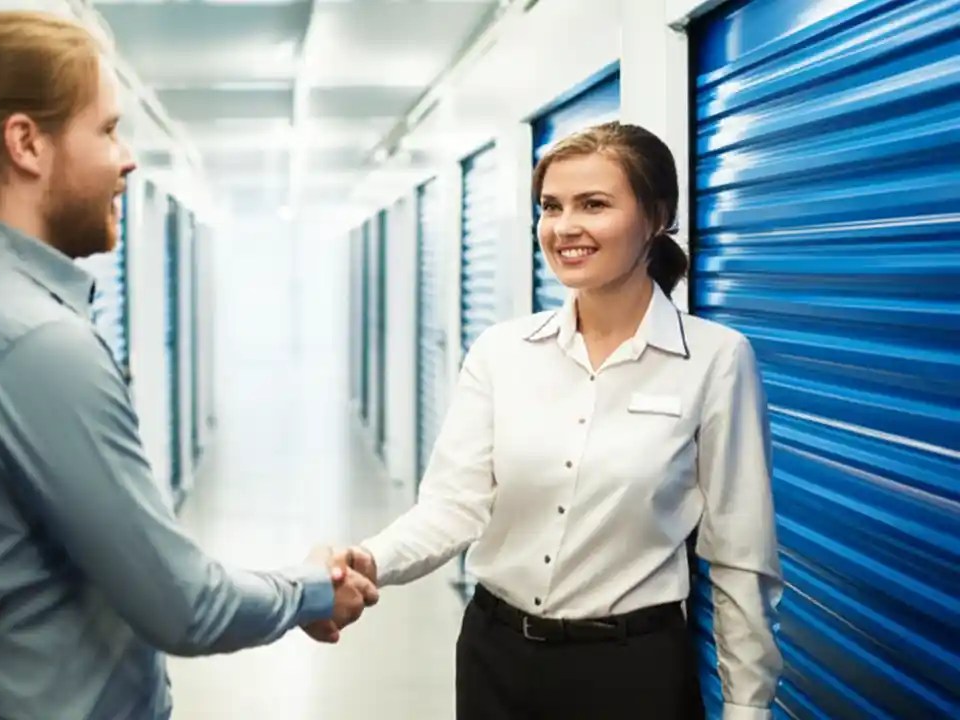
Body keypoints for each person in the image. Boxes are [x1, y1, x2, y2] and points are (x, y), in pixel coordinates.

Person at [0, 11, 376, 720]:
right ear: (26, 143)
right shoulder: (34, 340)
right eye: (105, 129)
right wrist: (314, 588)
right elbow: (183, 604)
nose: (127, 157)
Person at [328, 122, 783, 719]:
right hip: (496, 659)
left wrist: (747, 707)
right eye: (550, 206)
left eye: (593, 205)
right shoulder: (502, 351)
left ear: (658, 215)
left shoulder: (716, 360)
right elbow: (453, 506)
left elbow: (740, 553)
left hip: (633, 671)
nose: (564, 227)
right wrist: (370, 560)